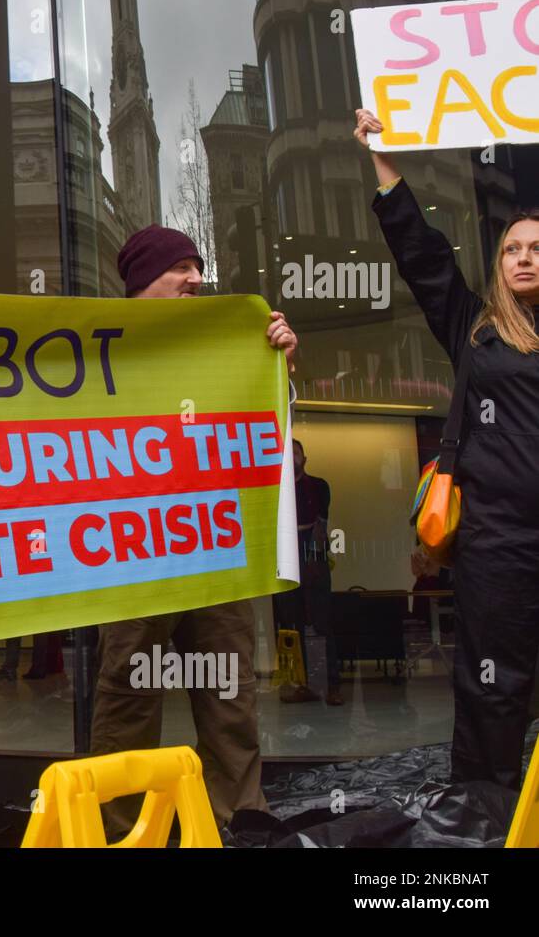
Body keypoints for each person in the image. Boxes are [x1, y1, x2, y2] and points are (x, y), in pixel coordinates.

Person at [90, 224, 297, 835]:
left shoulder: (230, 341)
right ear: (140, 282)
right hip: (134, 556)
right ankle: (119, 830)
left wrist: (277, 368)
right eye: (180, 267)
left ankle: (241, 820)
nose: (196, 277)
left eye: (197, 265)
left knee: (229, 696)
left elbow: (274, 441)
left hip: (216, 552)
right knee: (128, 697)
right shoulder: (95, 354)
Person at [356, 107, 539, 790]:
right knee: (493, 687)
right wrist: (384, 163)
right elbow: (425, 260)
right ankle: (486, 813)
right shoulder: (476, 330)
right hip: (497, 544)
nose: (523, 258)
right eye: (513, 249)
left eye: (536, 248)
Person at [274, 439, 341, 705]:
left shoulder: (319, 485)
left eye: (297, 452)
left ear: (305, 458)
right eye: (288, 454)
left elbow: (321, 523)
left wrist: (313, 558)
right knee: (292, 625)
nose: (293, 457)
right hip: (285, 557)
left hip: (312, 557)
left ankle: (333, 685)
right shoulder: (276, 490)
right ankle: (301, 685)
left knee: (323, 623)